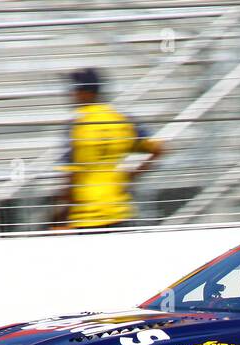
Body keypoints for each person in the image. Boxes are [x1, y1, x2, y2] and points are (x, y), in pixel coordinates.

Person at [52, 68, 164, 230]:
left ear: (86, 93)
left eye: (74, 89)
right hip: (119, 210)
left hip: (86, 215)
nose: (71, 94)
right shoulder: (121, 120)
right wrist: (130, 177)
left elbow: (71, 178)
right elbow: (159, 149)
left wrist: (59, 217)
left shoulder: (77, 126)